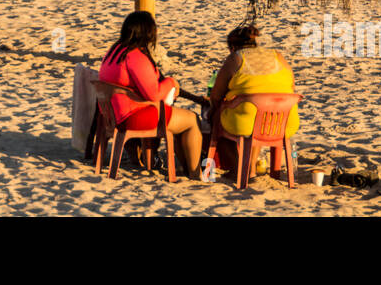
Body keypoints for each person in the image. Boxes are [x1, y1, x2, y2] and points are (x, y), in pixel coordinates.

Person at [98, 11, 203, 179]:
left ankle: (185, 168)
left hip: (112, 113)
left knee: (180, 118)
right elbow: (153, 94)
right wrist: (170, 82)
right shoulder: (134, 56)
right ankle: (196, 173)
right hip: (133, 115)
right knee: (191, 120)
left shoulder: (114, 51)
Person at [206, 23, 299, 176]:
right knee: (257, 111)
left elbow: (215, 96)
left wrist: (214, 110)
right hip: (285, 122)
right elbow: (292, 86)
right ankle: (251, 169)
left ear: (232, 47)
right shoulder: (277, 56)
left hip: (248, 123)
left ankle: (238, 169)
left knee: (218, 119)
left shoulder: (235, 58)